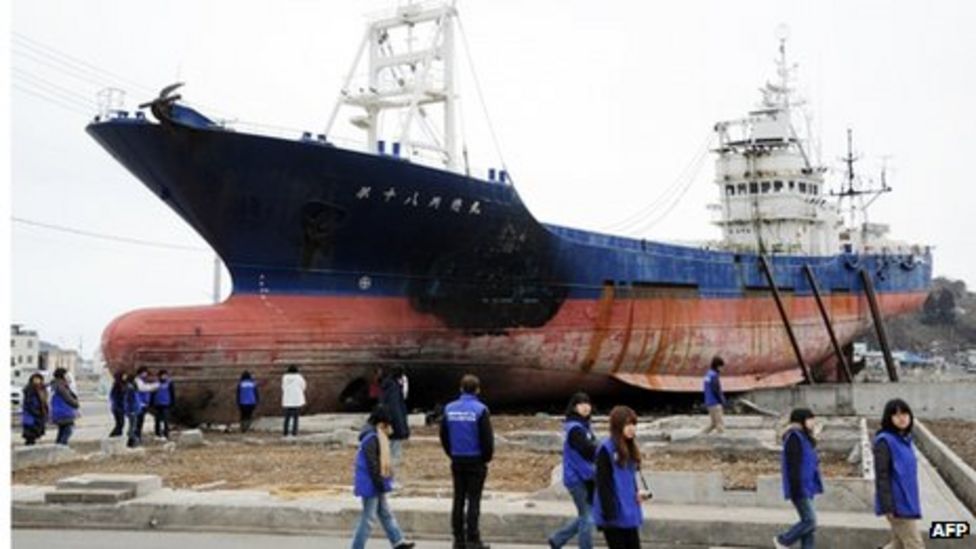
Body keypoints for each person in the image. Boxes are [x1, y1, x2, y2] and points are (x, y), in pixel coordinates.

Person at [350, 405, 416, 549]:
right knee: (368, 518)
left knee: (385, 512)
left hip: (374, 481)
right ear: (381, 423)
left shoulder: (376, 435)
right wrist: (380, 483)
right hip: (370, 482)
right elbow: (373, 465)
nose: (389, 428)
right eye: (387, 424)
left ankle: (398, 540)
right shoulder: (372, 439)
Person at [440, 374, 494, 549]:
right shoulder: (480, 410)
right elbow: (487, 438)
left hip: (457, 459)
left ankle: (458, 539)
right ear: (478, 390)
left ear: (461, 389)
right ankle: (473, 539)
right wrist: (486, 458)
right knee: (474, 500)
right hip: (476, 460)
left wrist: (452, 453)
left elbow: (444, 435)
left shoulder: (449, 409)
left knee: (459, 499)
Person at [548, 392, 598, 549]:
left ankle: (557, 539)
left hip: (587, 476)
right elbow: (587, 450)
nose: (585, 407)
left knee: (589, 514)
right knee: (587, 517)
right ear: (574, 407)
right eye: (581, 404)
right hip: (578, 478)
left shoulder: (584, 426)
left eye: (587, 403)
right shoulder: (575, 429)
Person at [593, 405, 647, 549]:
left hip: (629, 509)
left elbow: (629, 478)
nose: (632, 428)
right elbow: (602, 483)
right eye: (627, 424)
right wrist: (609, 514)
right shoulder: (606, 448)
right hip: (614, 512)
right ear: (618, 426)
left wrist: (637, 493)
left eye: (634, 424)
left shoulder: (630, 447)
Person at [874, 399, 924, 549]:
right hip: (897, 504)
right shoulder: (885, 442)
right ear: (888, 419)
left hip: (908, 501)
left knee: (898, 544)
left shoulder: (905, 440)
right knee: (915, 544)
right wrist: (887, 506)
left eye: (905, 413)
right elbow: (882, 476)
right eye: (896, 415)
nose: (902, 418)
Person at [773, 408, 822, 549]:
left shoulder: (803, 437)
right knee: (810, 521)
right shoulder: (794, 437)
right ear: (801, 420)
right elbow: (793, 465)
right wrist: (796, 488)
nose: (813, 422)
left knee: (808, 525)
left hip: (808, 485)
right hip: (800, 486)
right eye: (810, 419)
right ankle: (783, 540)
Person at [380, 366, 410, 470]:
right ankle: (391, 479)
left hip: (387, 424)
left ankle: (386, 477)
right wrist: (402, 429)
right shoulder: (394, 388)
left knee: (386, 451)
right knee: (394, 454)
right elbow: (396, 409)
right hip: (394, 426)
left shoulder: (387, 387)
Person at [50, 367, 80, 445]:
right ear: (63, 376)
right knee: (67, 431)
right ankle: (61, 448)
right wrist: (76, 404)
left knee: (62, 431)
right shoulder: (61, 386)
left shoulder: (55, 384)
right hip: (64, 413)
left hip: (58, 412)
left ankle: (57, 447)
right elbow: (69, 399)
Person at [133, 367, 159, 443]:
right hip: (139, 404)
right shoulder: (137, 381)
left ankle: (138, 437)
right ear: (140, 373)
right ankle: (136, 438)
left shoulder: (143, 381)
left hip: (144, 404)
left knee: (140, 422)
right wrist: (156, 385)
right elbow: (143, 388)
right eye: (144, 373)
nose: (146, 374)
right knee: (138, 422)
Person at [21, 373, 49, 445]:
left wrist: (44, 412)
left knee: (35, 434)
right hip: (31, 415)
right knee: (30, 435)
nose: (37, 381)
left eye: (39, 379)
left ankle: (30, 447)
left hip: (39, 414)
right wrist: (36, 412)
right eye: (35, 379)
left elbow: (44, 402)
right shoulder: (29, 389)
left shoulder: (42, 389)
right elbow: (28, 403)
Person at [701, 356, 726, 434]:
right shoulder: (714, 376)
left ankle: (700, 435)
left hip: (709, 403)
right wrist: (722, 401)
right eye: (722, 367)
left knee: (713, 424)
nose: (723, 369)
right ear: (718, 366)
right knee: (720, 425)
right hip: (715, 404)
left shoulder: (708, 374)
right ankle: (722, 442)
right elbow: (716, 390)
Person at [281, 364, 306, 437]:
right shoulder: (299, 377)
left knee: (287, 417)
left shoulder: (285, 377)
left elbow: (283, 387)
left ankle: (285, 432)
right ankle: (294, 432)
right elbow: (303, 386)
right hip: (296, 400)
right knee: (295, 418)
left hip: (287, 400)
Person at [153, 369, 176, 439]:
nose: (163, 377)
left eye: (165, 375)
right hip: (157, 403)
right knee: (157, 419)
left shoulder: (169, 383)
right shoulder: (156, 383)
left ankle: (166, 433)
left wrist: (172, 402)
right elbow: (152, 393)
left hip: (166, 403)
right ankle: (157, 433)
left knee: (166, 419)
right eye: (162, 375)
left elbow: (172, 393)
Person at [124, 372, 144, 447]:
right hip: (132, 410)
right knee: (132, 427)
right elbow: (128, 401)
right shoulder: (129, 388)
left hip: (135, 409)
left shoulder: (133, 386)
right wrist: (130, 410)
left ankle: (131, 441)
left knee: (133, 426)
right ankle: (132, 441)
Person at [108, 372, 127, 437]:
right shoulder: (117, 386)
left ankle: (118, 435)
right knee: (120, 423)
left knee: (120, 423)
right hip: (118, 408)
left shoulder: (118, 385)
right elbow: (115, 397)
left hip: (117, 407)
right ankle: (113, 435)